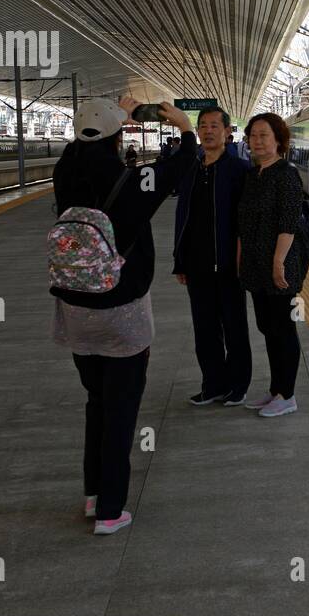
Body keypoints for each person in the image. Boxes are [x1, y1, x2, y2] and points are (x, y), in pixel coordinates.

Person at [51, 97, 196, 534]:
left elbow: (80, 145)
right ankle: (112, 512)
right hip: (122, 313)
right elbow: (182, 162)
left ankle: (94, 496)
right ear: (120, 138)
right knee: (121, 411)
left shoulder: (64, 173)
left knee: (96, 403)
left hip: (74, 308)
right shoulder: (135, 180)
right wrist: (184, 128)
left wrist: (109, 122)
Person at [174, 107, 253, 406]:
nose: (208, 131)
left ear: (227, 131)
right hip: (197, 265)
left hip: (230, 265)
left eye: (214, 126)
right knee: (204, 329)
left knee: (234, 328)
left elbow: (247, 221)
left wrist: (244, 259)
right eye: (203, 126)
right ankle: (213, 384)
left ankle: (238, 384)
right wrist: (180, 260)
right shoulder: (192, 170)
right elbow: (184, 217)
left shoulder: (239, 171)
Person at [238, 113, 305, 418]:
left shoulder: (286, 174)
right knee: (267, 327)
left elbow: (288, 221)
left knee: (283, 329)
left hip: (281, 265)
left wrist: (278, 261)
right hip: (255, 265)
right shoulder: (253, 175)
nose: (258, 141)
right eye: (253, 135)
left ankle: (288, 394)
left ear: (279, 140)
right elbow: (243, 222)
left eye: (264, 135)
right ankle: (275, 389)